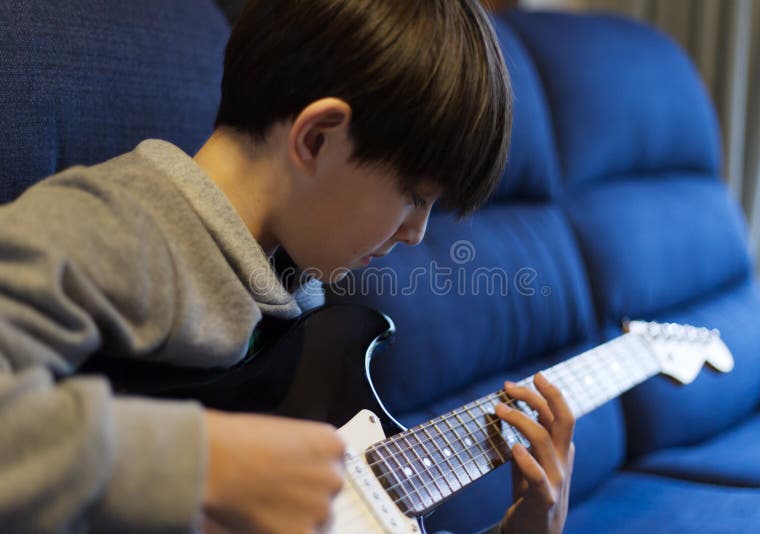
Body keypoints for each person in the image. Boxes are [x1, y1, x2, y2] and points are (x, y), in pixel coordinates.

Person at [0, 1, 575, 533]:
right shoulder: (115, 229)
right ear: (318, 138)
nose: (417, 233)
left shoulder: (300, 293)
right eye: (415, 195)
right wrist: (208, 462)